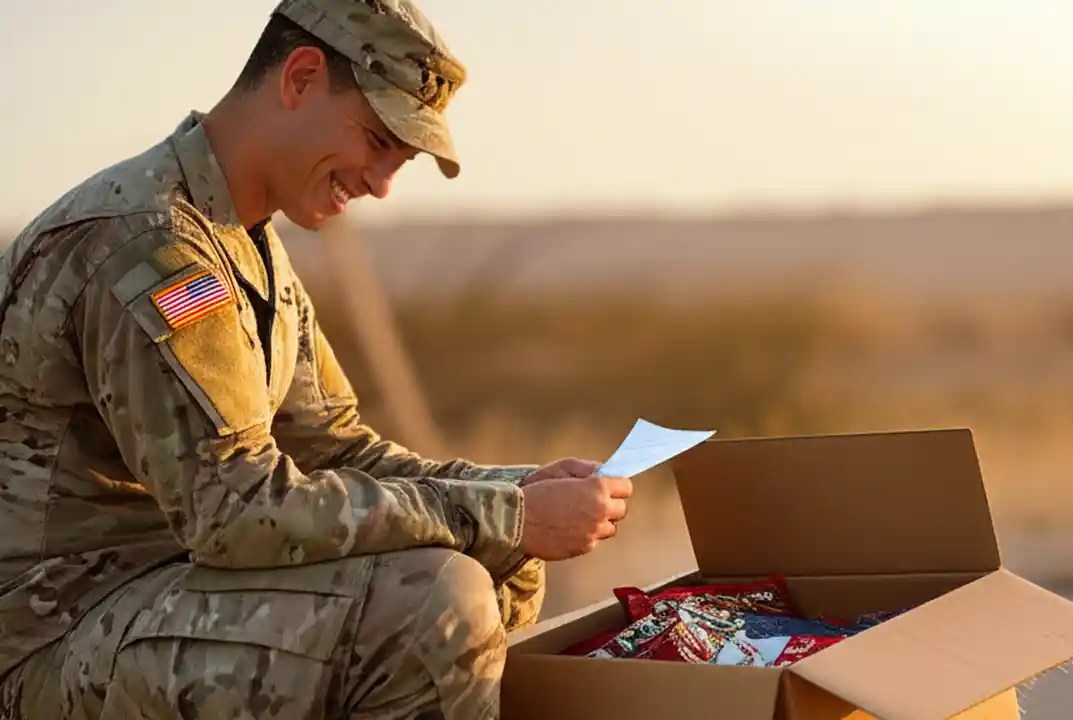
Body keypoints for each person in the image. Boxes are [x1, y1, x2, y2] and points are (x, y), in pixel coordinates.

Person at [0, 0, 633, 717]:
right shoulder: (150, 245)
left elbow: (336, 448)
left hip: (158, 599)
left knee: (499, 566)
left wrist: (518, 493)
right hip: (56, 636)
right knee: (432, 606)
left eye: (403, 159)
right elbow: (237, 511)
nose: (382, 183)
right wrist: (503, 513)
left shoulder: (242, 240)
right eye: (375, 140)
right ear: (300, 78)